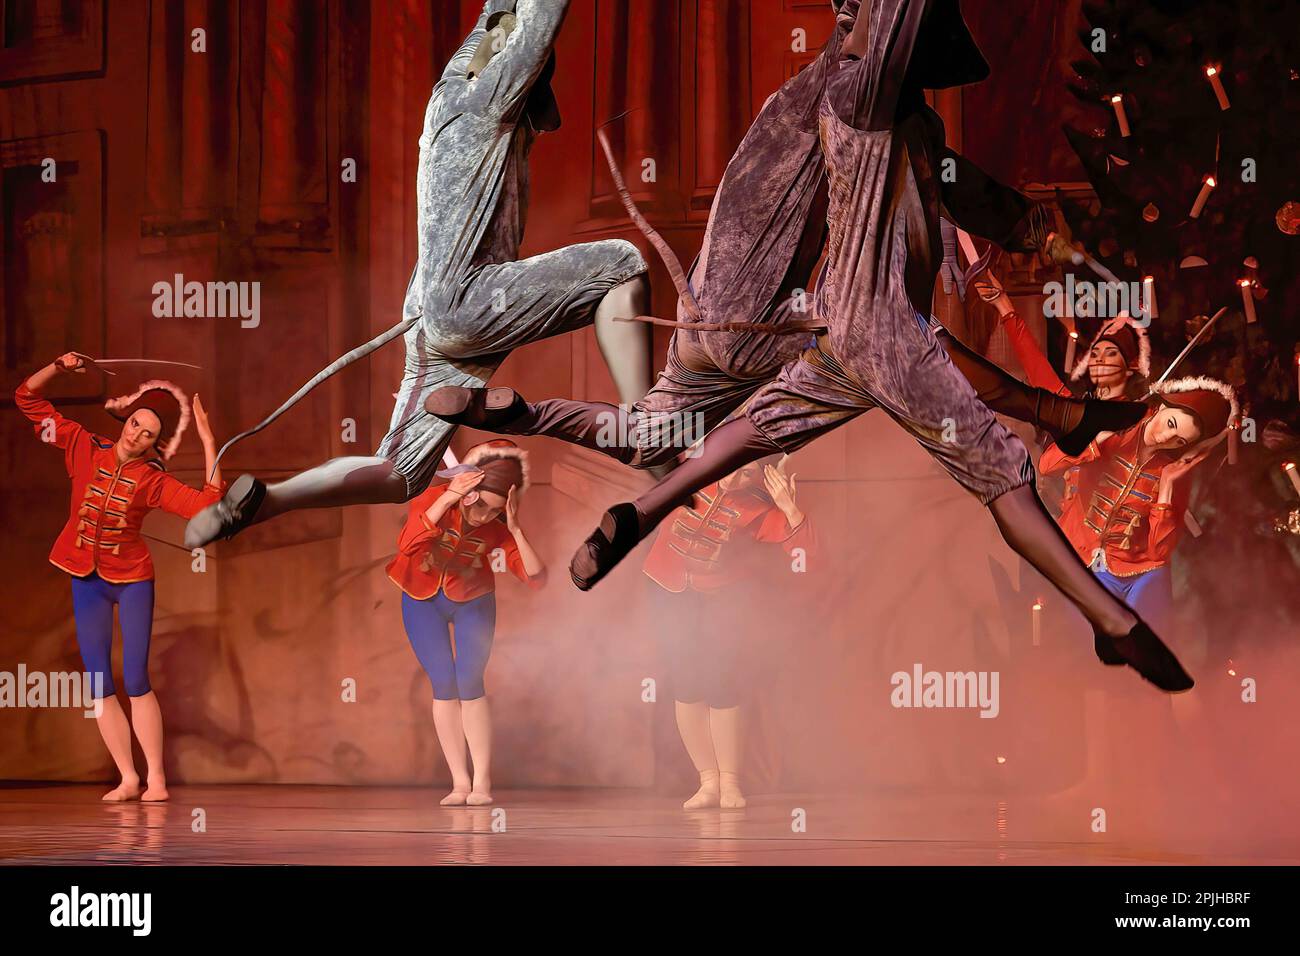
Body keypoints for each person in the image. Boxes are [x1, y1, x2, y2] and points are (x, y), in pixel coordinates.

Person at [560, 0, 1193, 693]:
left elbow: (961, 187)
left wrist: (1032, 229)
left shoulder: (913, 122)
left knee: (758, 427)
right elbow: (889, 30)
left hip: (848, 330)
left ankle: (635, 517)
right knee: (1001, 473)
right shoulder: (853, 97)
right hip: (882, 326)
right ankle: (1112, 624)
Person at [426, 0, 1142, 473]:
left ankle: (521, 413)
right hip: (763, 321)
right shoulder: (859, 95)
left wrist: (1029, 229)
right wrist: (1032, 227)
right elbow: (948, 177)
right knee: (898, 338)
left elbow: (942, 175)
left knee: (655, 435)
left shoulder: (799, 94)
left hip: (703, 320)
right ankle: (1062, 414)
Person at [184, 0, 651, 548]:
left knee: (403, 473)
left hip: (428, 317)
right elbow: (537, 23)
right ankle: (647, 425)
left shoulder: (449, 94)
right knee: (624, 262)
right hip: (469, 301)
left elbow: (493, 22)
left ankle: (271, 501)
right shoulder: (489, 98)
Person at [15, 353, 226, 801]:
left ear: (154, 444)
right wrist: (57, 367)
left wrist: (208, 442)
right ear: (125, 422)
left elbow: (209, 505)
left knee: (135, 677)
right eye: (135, 425)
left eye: (148, 434)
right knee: (98, 681)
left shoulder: (152, 481)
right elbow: (27, 399)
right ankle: (128, 778)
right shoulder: (81, 445)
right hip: (83, 575)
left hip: (131, 578)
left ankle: (157, 780)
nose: (138, 435)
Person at [643, 456, 814, 809]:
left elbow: (807, 559)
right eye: (731, 465)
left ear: (761, 478)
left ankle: (730, 782)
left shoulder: (758, 510)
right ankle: (707, 781)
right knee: (686, 685)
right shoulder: (685, 476)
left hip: (721, 597)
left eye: (746, 473)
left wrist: (789, 509)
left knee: (724, 685)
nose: (733, 477)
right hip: (669, 591)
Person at [387, 440, 545, 806]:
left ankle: (482, 783)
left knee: (470, 682)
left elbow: (535, 576)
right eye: (483, 508)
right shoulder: (435, 501)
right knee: (444, 683)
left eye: (496, 512)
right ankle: (459, 782)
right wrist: (447, 499)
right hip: (420, 598)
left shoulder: (499, 526)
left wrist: (516, 529)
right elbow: (408, 545)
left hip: (473, 600)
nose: (485, 518)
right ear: (470, 492)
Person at [1039, 377, 1235, 650]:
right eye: (1171, 424)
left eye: (1178, 440)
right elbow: (1046, 466)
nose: (1167, 438)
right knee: (1078, 637)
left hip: (1126, 568)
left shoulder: (1174, 469)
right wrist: (1093, 442)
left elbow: (1159, 551)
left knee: (1151, 596)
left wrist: (1167, 485)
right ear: (1159, 408)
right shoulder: (1115, 427)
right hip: (1075, 550)